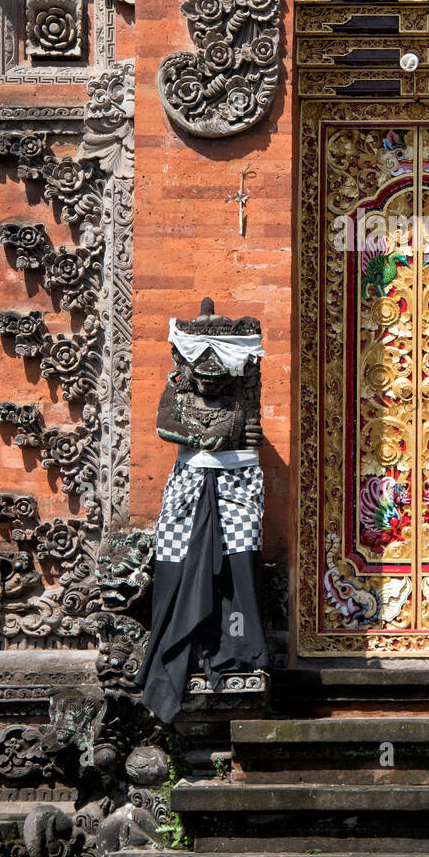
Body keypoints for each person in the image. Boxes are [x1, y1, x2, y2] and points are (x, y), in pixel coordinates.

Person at [135, 298, 268, 722]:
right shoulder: (178, 390)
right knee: (177, 559)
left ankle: (237, 645)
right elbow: (164, 425)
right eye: (203, 378)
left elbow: (250, 433)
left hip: (238, 484)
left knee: (238, 562)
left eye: (217, 379)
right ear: (187, 368)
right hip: (189, 484)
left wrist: (246, 434)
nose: (209, 386)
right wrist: (201, 437)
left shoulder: (242, 394)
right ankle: (183, 643)